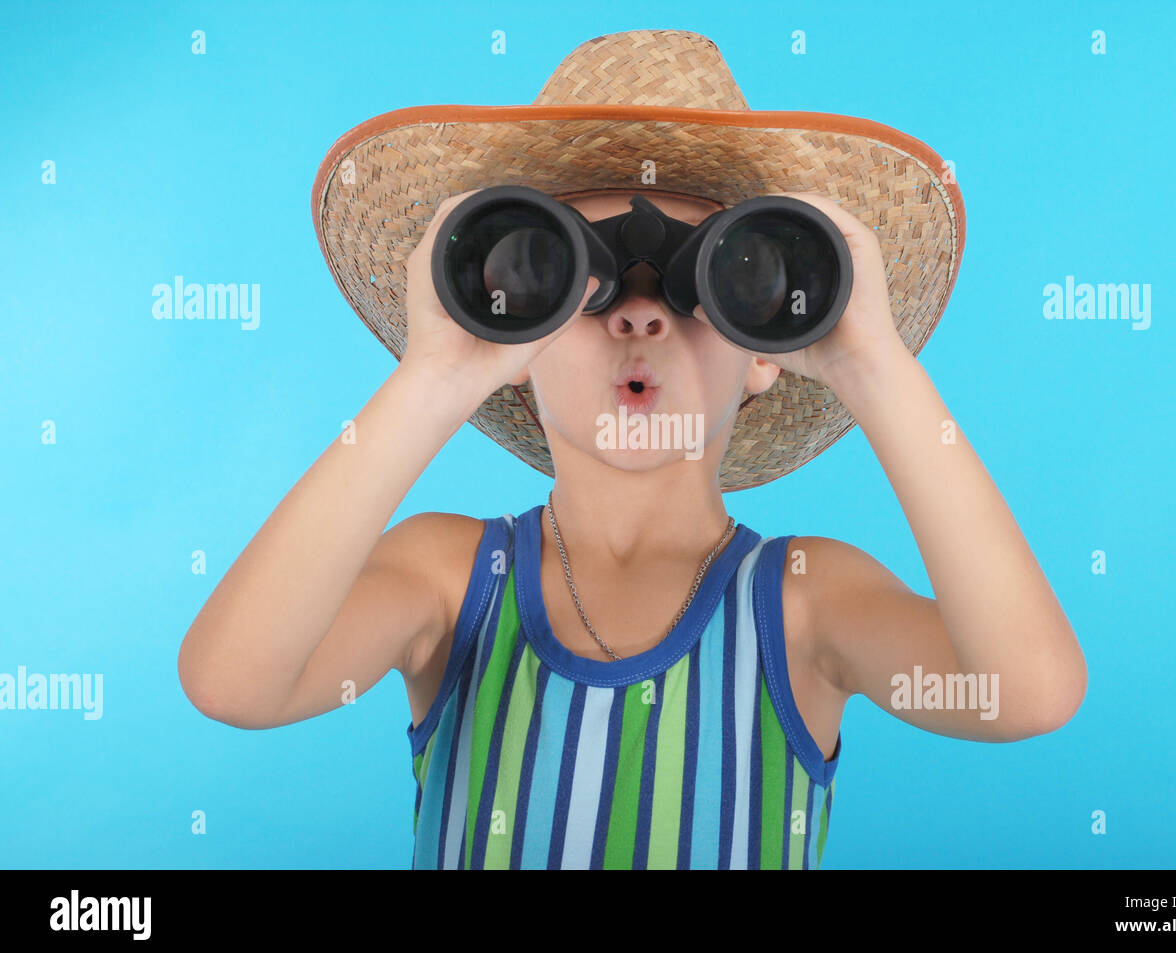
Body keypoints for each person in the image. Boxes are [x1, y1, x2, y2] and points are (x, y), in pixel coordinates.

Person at [177, 30, 1087, 869]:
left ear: (767, 354)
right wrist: (439, 373)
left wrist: (874, 365)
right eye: (567, 275)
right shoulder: (454, 581)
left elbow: (1027, 695)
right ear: (518, 339)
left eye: (713, 280)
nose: (641, 313)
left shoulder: (806, 600)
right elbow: (236, 683)